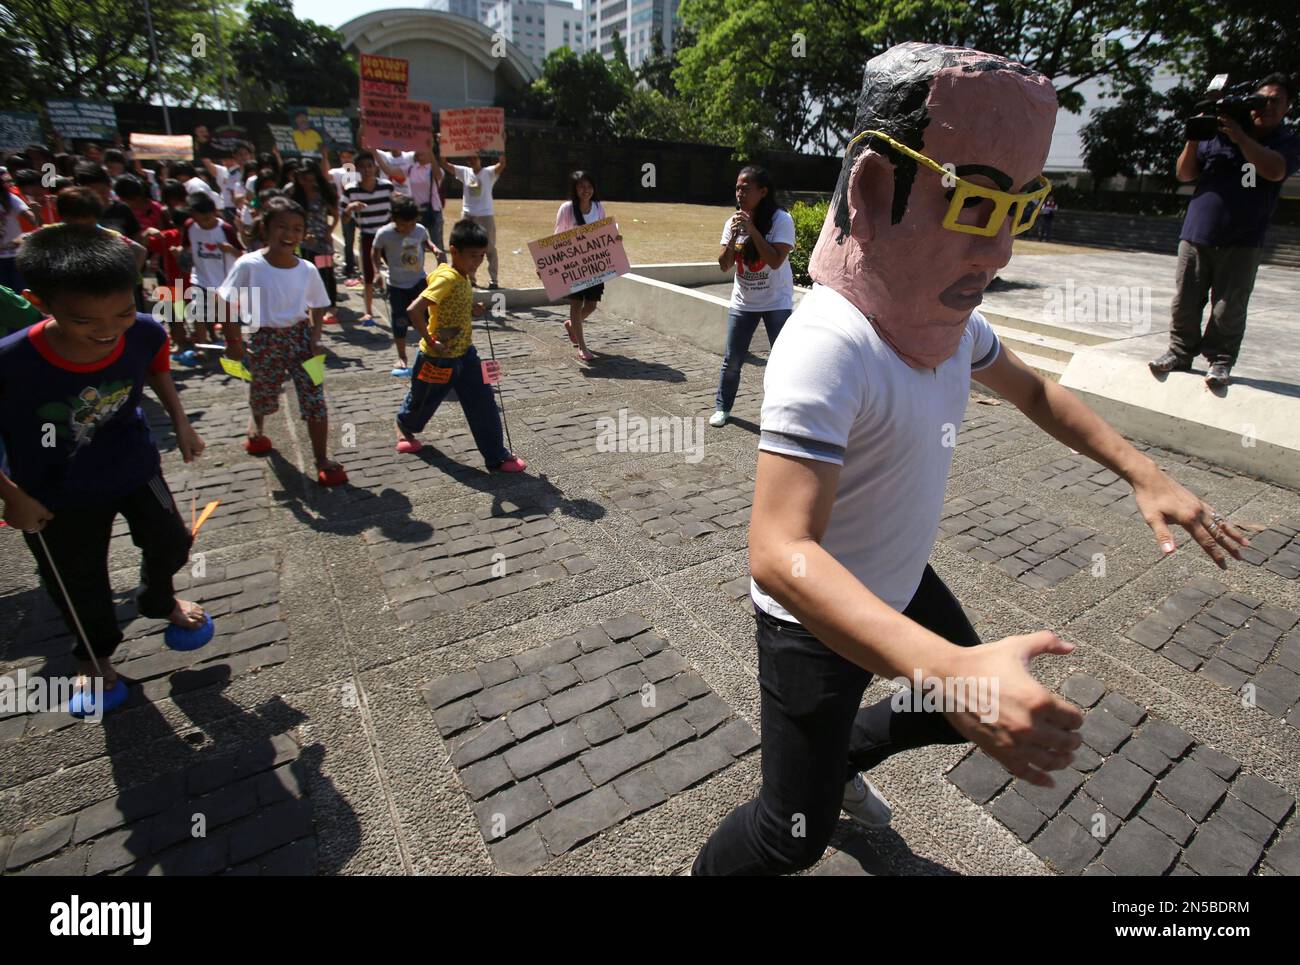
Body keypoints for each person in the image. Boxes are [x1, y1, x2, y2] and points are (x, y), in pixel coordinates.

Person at [691, 42, 1251, 877]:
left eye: (1019, 212)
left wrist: (1143, 470)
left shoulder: (950, 329)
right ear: (876, 192)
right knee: (791, 833)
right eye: (978, 206)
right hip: (813, 627)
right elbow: (779, 552)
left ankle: (840, 759)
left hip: (903, 579)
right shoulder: (830, 343)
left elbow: (1036, 394)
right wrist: (951, 666)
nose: (1000, 255)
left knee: (946, 707)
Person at [0, 224, 207, 716]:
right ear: (38, 301)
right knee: (78, 579)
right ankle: (94, 657)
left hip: (134, 465)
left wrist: (181, 423)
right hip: (52, 492)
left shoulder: (146, 331)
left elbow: (155, 368)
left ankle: (159, 599)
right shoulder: (11, 361)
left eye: (120, 311)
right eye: (85, 320)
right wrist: (11, 495)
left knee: (172, 541)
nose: (108, 329)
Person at [1150, 73, 1300, 387]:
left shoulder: (1285, 140)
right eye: (1261, 100)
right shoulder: (1217, 133)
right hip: (1197, 233)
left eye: (1276, 101)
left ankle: (1220, 360)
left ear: (1288, 106)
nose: (1267, 107)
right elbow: (1185, 173)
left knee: (1229, 306)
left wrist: (1242, 139)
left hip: (1243, 239)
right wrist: (1195, 134)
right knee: (1185, 300)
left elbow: (1275, 170)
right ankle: (1179, 352)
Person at [218, 196, 347, 487]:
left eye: (297, 228)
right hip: (264, 340)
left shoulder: (308, 269)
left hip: (302, 339)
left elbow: (319, 304)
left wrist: (315, 336)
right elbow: (224, 302)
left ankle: (321, 459)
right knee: (263, 392)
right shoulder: (249, 265)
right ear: (265, 228)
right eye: (282, 227)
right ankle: (258, 428)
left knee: (316, 400)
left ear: (304, 234)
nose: (289, 234)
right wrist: (233, 340)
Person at [394, 218, 526, 474]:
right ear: (454, 251)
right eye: (472, 256)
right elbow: (414, 310)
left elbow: (451, 306)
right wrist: (431, 340)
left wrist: (471, 310)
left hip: (466, 354)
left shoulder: (463, 275)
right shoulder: (448, 278)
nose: (477, 262)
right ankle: (403, 425)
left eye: (481, 257)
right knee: (422, 403)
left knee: (483, 402)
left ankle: (497, 456)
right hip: (437, 358)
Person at [711, 165, 795, 427]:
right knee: (733, 360)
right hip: (743, 301)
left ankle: (784, 413)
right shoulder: (732, 222)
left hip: (776, 301)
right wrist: (736, 232)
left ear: (763, 191)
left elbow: (775, 261)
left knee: (782, 360)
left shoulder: (781, 220)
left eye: (746, 188)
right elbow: (724, 264)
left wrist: (753, 230)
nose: (740, 193)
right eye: (737, 187)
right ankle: (723, 408)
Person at [553, 170, 621, 362]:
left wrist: (615, 237)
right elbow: (558, 235)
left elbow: (606, 229)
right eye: (582, 186)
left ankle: (571, 325)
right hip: (574, 265)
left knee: (591, 305)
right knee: (576, 304)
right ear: (574, 188)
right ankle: (582, 347)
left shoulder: (598, 207)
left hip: (594, 264)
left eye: (589, 186)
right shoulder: (567, 208)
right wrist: (548, 264)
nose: (586, 190)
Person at [373, 196, 440, 377]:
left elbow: (426, 241)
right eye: (403, 225)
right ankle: (402, 357)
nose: (408, 229)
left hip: (419, 281)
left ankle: (431, 351)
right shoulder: (384, 234)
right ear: (394, 219)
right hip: (397, 285)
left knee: (428, 318)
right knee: (400, 321)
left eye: (411, 224)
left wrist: (434, 249)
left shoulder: (419, 230)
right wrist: (377, 272)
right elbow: (375, 252)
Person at [179, 192, 241, 344]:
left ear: (214, 212)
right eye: (198, 220)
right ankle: (202, 344)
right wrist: (179, 251)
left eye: (206, 219)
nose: (203, 224)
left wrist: (230, 249)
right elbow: (186, 246)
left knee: (227, 316)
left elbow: (241, 253)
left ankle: (235, 345)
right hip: (200, 278)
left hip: (224, 281)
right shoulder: (190, 226)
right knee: (197, 312)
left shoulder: (225, 229)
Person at [342, 151, 395, 324]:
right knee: (368, 274)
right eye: (362, 167)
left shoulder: (387, 187)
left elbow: (396, 210)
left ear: (375, 167)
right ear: (356, 169)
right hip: (367, 236)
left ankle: (403, 303)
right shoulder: (351, 190)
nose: (367, 170)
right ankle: (369, 311)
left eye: (369, 166)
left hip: (388, 235)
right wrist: (350, 208)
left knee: (398, 269)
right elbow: (343, 218)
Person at [439, 151, 505, 288]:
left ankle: (493, 279)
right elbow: (444, 164)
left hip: (485, 214)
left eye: (474, 158)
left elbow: (502, 164)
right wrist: (443, 146)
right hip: (468, 214)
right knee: (466, 247)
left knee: (490, 247)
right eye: (469, 159)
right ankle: (471, 278)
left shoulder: (488, 172)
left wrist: (501, 148)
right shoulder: (464, 172)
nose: (472, 161)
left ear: (480, 159)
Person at [289, 163, 340, 322]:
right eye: (304, 179)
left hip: (322, 242)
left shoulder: (323, 193)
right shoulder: (294, 195)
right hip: (303, 242)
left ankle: (331, 306)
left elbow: (335, 213)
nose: (309, 183)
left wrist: (329, 231)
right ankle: (310, 306)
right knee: (307, 274)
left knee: (326, 273)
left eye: (312, 179)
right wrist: (302, 235)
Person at [376, 146, 446, 258]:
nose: (420, 155)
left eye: (424, 152)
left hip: (433, 211)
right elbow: (389, 170)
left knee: (437, 244)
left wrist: (430, 150)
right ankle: (418, 272)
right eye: (419, 153)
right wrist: (375, 153)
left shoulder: (434, 169)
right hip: (416, 213)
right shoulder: (411, 168)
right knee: (416, 245)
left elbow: (439, 175)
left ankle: (444, 272)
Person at [329, 148, 361, 281]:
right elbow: (325, 175)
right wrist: (325, 157)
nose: (346, 160)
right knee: (349, 240)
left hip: (361, 212)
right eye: (344, 157)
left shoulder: (360, 174)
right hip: (345, 212)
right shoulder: (336, 172)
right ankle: (349, 267)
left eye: (349, 157)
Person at [0, 176, 35, 291]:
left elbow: (32, 218)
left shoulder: (10, 198)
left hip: (16, 253)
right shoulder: (10, 198)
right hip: (16, 253)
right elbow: (31, 218)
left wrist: (34, 214)